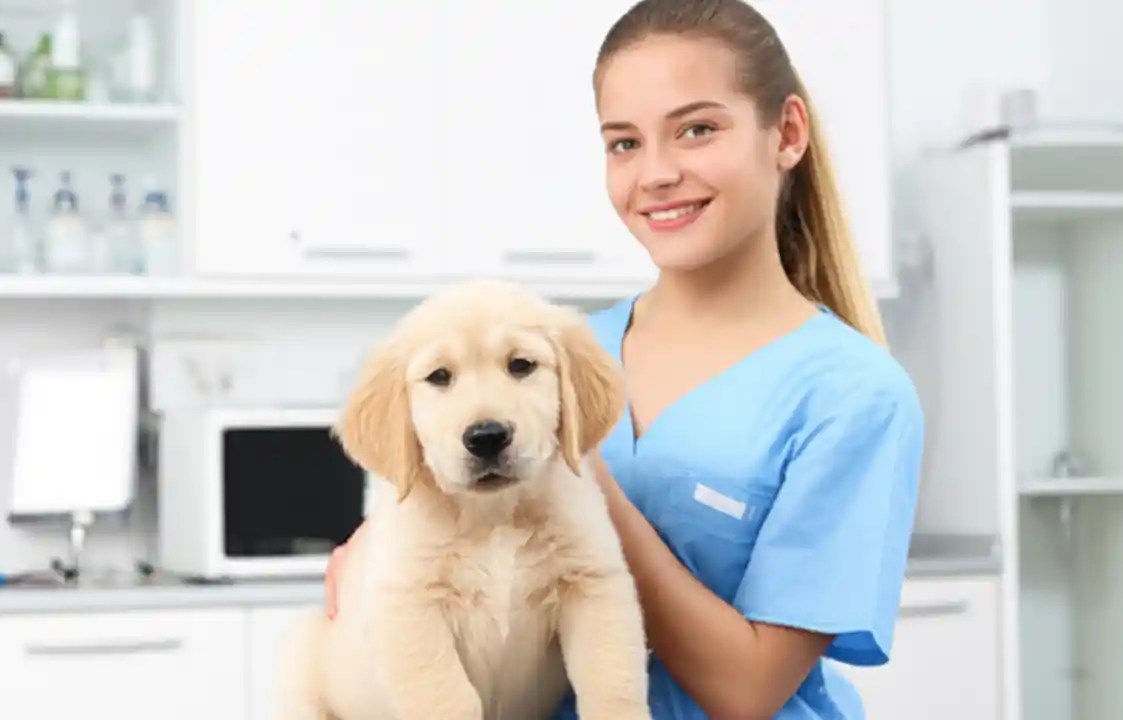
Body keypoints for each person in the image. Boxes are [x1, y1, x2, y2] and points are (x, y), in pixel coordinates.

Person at [323, 0, 924, 717]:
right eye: (624, 144)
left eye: (697, 130)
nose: (658, 173)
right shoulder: (560, 351)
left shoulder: (851, 394)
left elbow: (750, 688)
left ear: (786, 133)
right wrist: (376, 558)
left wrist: (581, 488)